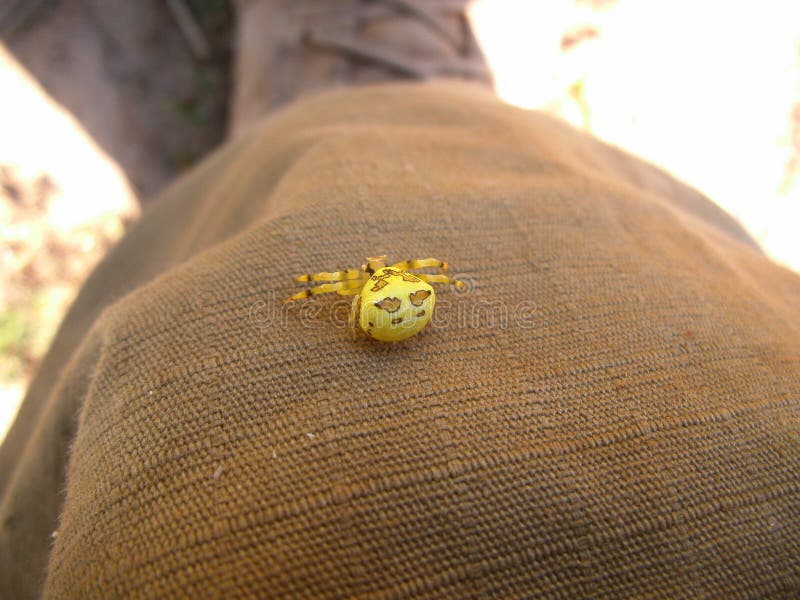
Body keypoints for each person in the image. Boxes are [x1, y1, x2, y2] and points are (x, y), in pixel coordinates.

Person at [1, 1, 798, 597]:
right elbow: (413, 279)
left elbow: (326, 284)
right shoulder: (401, 284)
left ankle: (347, 108)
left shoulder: (359, 286)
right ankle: (435, 108)